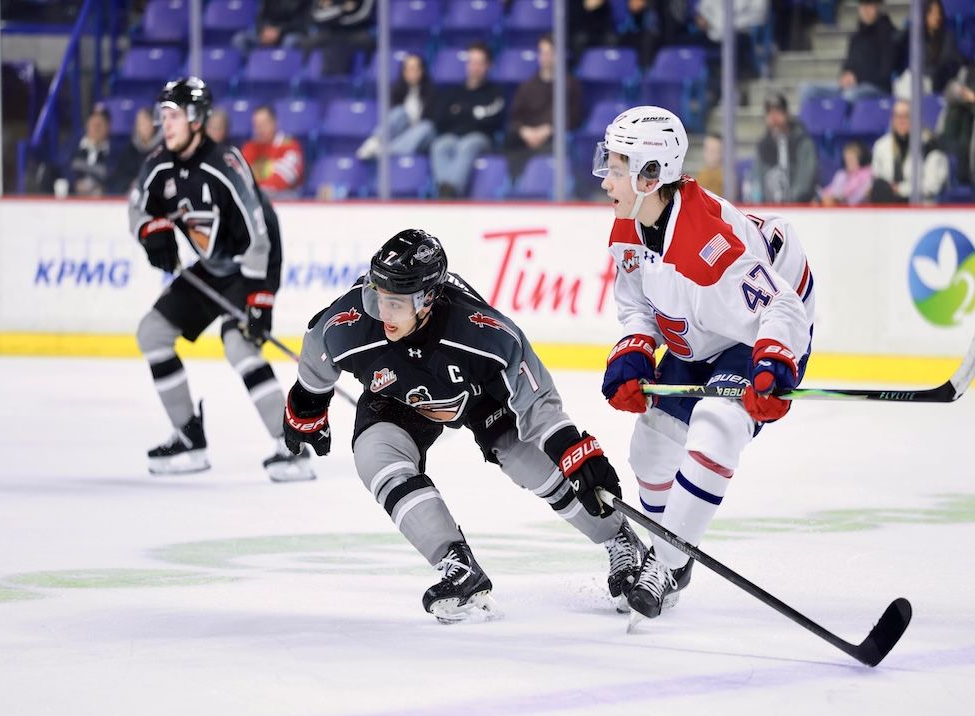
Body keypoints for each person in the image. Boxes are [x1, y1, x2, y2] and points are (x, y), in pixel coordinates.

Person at [282, 229, 648, 622]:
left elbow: (536, 399)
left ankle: (618, 537)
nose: (383, 313)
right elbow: (317, 349)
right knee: (374, 456)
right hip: (396, 395)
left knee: (527, 461)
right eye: (378, 296)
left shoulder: (480, 332)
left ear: (427, 299)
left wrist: (570, 450)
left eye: (396, 303)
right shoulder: (353, 321)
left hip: (480, 395)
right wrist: (307, 406)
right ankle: (458, 568)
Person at [591, 106, 816, 619]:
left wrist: (776, 361)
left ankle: (667, 562)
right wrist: (633, 347)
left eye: (618, 168)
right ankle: (669, 551)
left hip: (753, 336)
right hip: (696, 341)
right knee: (649, 449)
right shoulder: (629, 225)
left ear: (652, 176)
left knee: (716, 426)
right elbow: (635, 305)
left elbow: (782, 307)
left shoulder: (710, 246)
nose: (607, 180)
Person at [128, 77, 314, 482]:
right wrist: (151, 231)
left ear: (196, 119)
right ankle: (189, 438)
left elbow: (259, 235)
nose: (166, 124)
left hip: (253, 262)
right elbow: (137, 207)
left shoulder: (225, 164)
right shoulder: (160, 165)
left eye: (173, 115)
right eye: (163, 116)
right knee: (152, 333)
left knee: (239, 345)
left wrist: (260, 300)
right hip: (211, 268)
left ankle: (292, 446)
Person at [429, 42, 505, 198]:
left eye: (479, 62)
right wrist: (471, 114)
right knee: (439, 145)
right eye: (471, 62)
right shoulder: (453, 91)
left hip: (481, 138)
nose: (474, 67)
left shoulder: (495, 93)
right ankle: (445, 189)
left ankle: (451, 190)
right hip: (453, 137)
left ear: (488, 65)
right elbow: (440, 120)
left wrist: (461, 112)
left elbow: (493, 121)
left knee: (468, 144)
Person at [504, 35, 583, 180]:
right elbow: (515, 117)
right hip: (526, 137)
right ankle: (513, 186)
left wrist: (549, 129)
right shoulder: (527, 85)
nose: (546, 57)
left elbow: (574, 117)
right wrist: (524, 131)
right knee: (509, 141)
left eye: (550, 52)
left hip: (553, 136)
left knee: (558, 146)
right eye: (543, 52)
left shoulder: (570, 85)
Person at [356, 53, 437, 160]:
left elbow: (432, 121)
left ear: (422, 70)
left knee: (426, 127)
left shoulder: (432, 93)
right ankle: (375, 141)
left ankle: (384, 153)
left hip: (420, 136)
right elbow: (394, 120)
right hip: (400, 134)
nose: (411, 72)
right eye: (407, 69)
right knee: (398, 112)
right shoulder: (396, 91)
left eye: (414, 68)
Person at [870, 98, 949, 203]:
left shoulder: (930, 145)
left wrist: (900, 189)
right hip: (889, 205)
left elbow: (932, 186)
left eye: (906, 116)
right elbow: (877, 177)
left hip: (920, 207)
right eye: (897, 116)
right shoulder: (881, 145)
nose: (901, 121)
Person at [752, 92, 818, 203]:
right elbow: (759, 180)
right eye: (769, 113)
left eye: (778, 111)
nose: (774, 117)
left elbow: (804, 182)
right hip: (771, 210)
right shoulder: (763, 145)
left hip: (800, 209)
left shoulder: (801, 142)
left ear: (786, 114)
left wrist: (788, 203)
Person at [241, 104, 305, 198]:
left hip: (285, 202)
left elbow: (282, 181)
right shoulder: (249, 148)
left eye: (263, 124)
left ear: (275, 123)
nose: (259, 130)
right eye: (256, 125)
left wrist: (257, 188)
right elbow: (241, 179)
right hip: (255, 200)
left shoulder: (290, 146)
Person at [839, 0, 898, 99]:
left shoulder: (889, 34)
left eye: (869, 5)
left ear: (878, 7)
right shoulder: (856, 37)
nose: (865, 9)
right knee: (809, 90)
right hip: (853, 87)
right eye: (862, 5)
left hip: (878, 88)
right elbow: (848, 64)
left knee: (849, 95)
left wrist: (857, 78)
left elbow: (885, 72)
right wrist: (845, 75)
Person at [303, 0, 375, 76]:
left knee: (361, 41)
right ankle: (320, 78)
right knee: (308, 42)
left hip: (355, 30)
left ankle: (355, 78)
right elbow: (316, 15)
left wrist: (339, 20)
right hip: (330, 30)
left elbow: (364, 15)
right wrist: (341, 9)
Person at [107, 107, 161, 194]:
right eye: (139, 123)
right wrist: (129, 184)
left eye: (145, 122)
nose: (141, 127)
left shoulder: (162, 149)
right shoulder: (130, 149)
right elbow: (119, 177)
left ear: (153, 124)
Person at [232, 0, 310, 54]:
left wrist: (279, 31)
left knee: (290, 41)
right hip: (267, 31)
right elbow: (260, 17)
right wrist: (263, 30)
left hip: (290, 32)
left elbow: (301, 23)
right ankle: (253, 67)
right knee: (239, 39)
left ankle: (282, 70)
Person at [817, 140, 873, 207]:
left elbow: (858, 198)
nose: (848, 162)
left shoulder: (867, 176)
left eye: (851, 159)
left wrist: (840, 199)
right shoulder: (841, 175)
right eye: (847, 159)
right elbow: (830, 190)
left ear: (860, 159)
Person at [70, 107, 111, 196]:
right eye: (93, 125)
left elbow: (115, 177)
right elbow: (63, 169)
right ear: (87, 126)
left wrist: (101, 187)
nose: (96, 129)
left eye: (99, 125)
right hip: (73, 199)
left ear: (108, 127)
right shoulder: (73, 147)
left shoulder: (114, 153)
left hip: (101, 201)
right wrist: (75, 184)